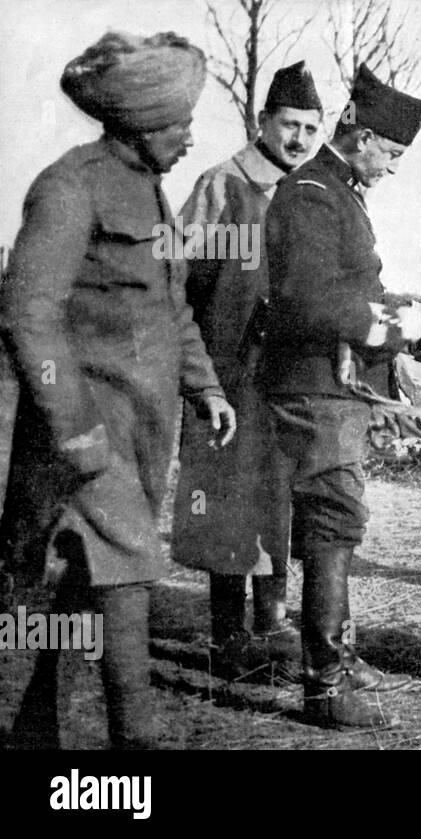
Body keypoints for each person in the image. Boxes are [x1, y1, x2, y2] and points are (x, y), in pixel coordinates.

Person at [0, 31, 235, 749]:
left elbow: (172, 307)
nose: (191, 139)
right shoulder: (70, 187)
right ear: (138, 123)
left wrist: (208, 387)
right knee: (128, 568)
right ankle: (137, 743)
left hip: (138, 432)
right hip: (82, 437)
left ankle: (33, 732)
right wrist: (74, 429)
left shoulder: (152, 195)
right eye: (179, 125)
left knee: (74, 589)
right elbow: (25, 313)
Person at [260, 64, 421, 729]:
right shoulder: (310, 194)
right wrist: (387, 323)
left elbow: (353, 284)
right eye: (389, 151)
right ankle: (324, 686)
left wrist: (413, 309)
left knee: (340, 520)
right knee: (333, 522)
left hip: (333, 386)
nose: (391, 166)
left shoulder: (337, 192)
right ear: (356, 134)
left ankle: (340, 658)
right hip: (314, 386)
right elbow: (308, 300)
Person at [171, 61, 323, 680]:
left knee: (279, 500)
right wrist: (203, 373)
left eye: (311, 128)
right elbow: (175, 281)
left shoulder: (308, 190)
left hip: (286, 379)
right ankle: (228, 636)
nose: (299, 140)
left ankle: (273, 623)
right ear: (263, 121)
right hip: (229, 375)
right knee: (228, 504)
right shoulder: (222, 185)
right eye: (289, 125)